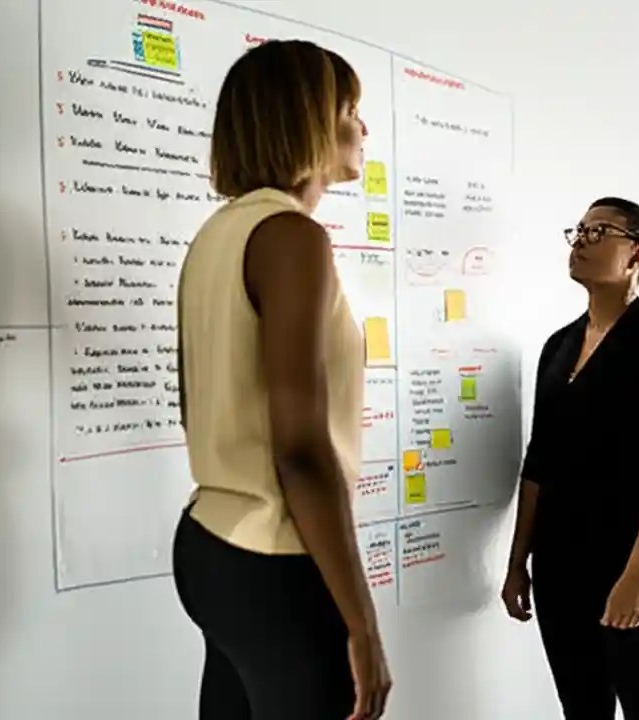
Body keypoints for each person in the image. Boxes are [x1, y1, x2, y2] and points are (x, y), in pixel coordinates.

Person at [172, 40, 392, 720]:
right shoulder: (294, 237)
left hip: (210, 542)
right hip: (275, 557)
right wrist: (361, 622)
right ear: (306, 119)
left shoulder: (218, 234)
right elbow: (298, 446)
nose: (362, 127)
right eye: (349, 108)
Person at [501, 198, 639, 719]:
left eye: (598, 232)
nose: (580, 242)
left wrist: (637, 578)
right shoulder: (558, 346)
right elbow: (538, 462)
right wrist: (517, 560)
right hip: (561, 563)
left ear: (636, 252)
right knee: (582, 707)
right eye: (579, 231)